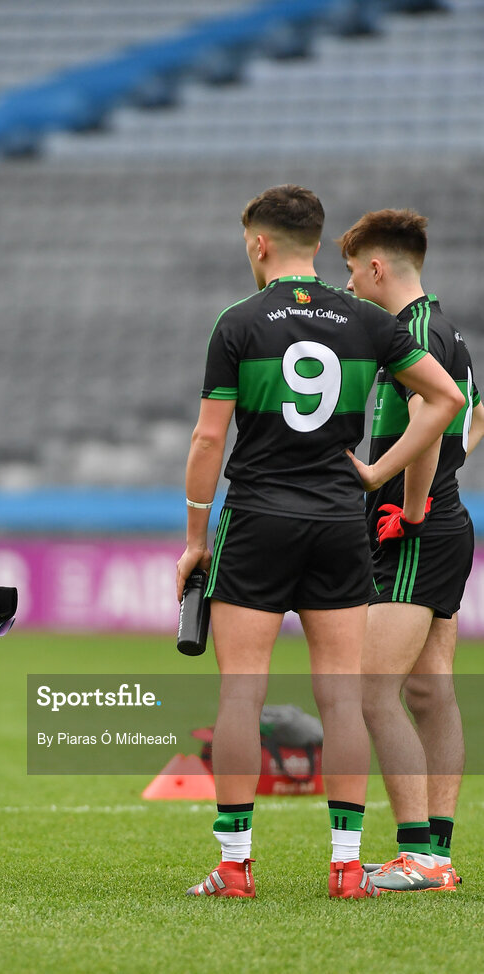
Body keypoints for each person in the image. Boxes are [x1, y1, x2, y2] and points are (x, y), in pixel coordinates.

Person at [176, 185, 464, 900]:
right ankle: (346, 867)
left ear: (259, 243)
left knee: (242, 691)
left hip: (258, 517)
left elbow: (208, 438)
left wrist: (194, 538)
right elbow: (449, 401)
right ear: (315, 242)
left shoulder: (238, 321)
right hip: (338, 521)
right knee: (341, 694)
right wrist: (377, 473)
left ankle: (235, 867)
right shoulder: (368, 320)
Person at [337, 209, 484, 892]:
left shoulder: (413, 332)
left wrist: (405, 497)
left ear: (376, 267)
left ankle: (418, 852)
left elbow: (436, 410)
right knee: (428, 689)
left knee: (373, 690)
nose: (347, 283)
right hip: (441, 521)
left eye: (350, 270)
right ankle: (435, 857)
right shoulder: (445, 326)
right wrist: (448, 474)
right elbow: (473, 413)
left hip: (414, 526)